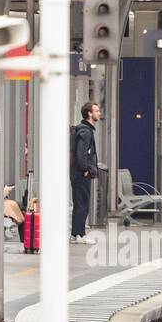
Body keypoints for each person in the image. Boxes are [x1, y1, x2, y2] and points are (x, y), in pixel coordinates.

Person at [70, 102, 100, 245]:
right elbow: (81, 154)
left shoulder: (82, 130)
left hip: (77, 173)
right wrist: (87, 169)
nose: (99, 113)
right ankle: (80, 234)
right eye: (96, 111)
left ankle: (76, 234)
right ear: (89, 113)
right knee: (82, 204)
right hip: (81, 174)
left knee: (79, 203)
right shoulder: (86, 132)